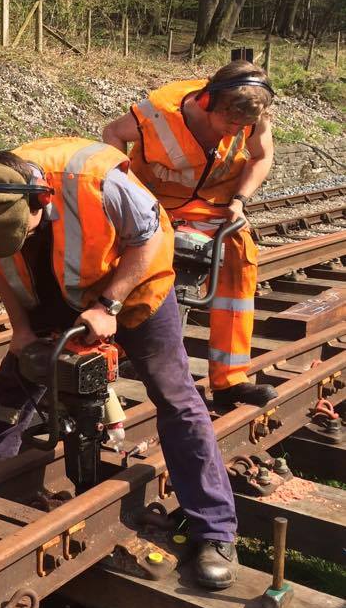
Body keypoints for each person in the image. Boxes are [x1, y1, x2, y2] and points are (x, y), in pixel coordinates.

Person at [0, 138, 239, 590]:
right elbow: (2, 268)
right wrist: (20, 331)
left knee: (175, 396)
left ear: (41, 200)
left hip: (135, 286)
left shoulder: (98, 182)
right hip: (62, 286)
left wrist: (109, 305)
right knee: (19, 374)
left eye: (25, 231)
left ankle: (215, 529)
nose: (19, 240)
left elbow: (151, 238)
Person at [103, 59, 276, 411]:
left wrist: (240, 202)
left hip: (214, 205)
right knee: (132, 269)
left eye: (241, 126)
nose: (234, 133)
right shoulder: (160, 112)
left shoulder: (252, 115)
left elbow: (261, 157)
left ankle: (230, 380)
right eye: (229, 123)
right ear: (207, 103)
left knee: (240, 260)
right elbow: (112, 134)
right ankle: (112, 351)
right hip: (155, 203)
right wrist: (125, 193)